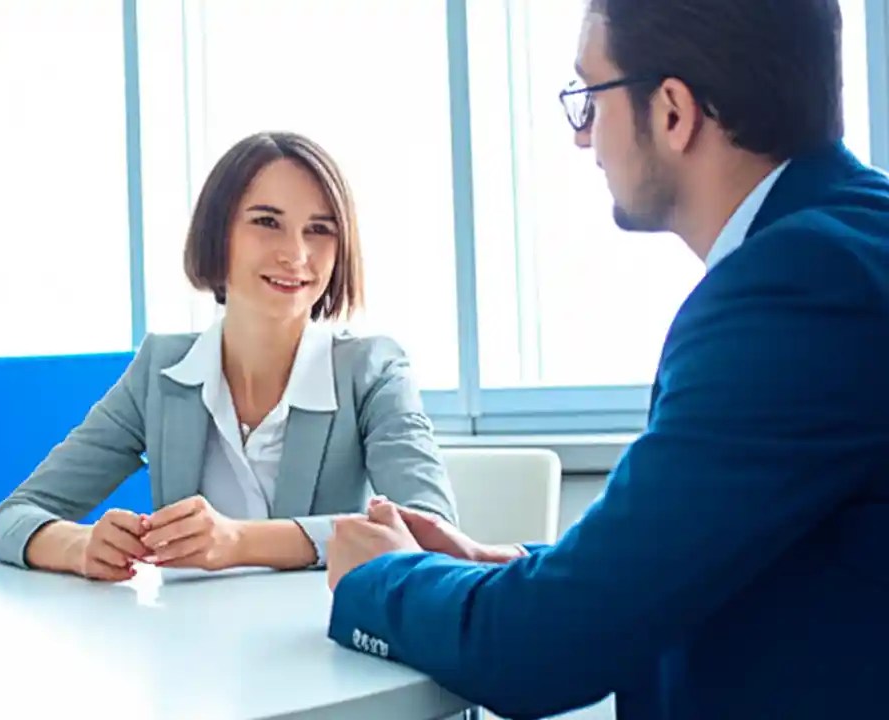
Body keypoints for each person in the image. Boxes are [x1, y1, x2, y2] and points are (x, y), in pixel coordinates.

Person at [325, 1, 889, 718]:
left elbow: (545, 652)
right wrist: (518, 571)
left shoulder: (797, 287)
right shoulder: (851, 242)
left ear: (674, 111)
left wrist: (380, 580)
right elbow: (750, 558)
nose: (582, 138)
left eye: (590, 97)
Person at [0, 131, 483, 581]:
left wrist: (239, 542)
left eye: (320, 230)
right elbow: (14, 517)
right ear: (218, 234)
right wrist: (80, 544)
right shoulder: (160, 372)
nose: (295, 253)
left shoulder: (372, 371)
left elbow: (432, 530)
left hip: (326, 650)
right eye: (267, 222)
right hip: (187, 650)